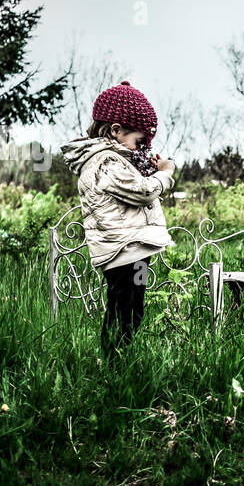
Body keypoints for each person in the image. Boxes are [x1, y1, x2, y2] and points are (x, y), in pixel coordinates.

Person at [61, 81, 176, 364]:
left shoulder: (114, 160)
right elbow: (142, 191)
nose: (144, 146)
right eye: (140, 140)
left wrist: (147, 167)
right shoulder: (104, 162)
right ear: (115, 130)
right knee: (125, 310)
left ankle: (117, 362)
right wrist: (166, 173)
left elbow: (133, 185)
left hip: (132, 250)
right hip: (122, 251)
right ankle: (116, 365)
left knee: (129, 308)